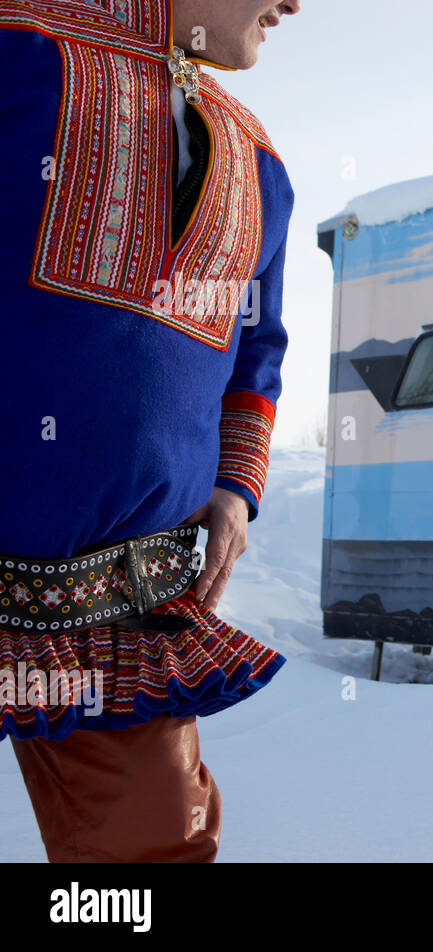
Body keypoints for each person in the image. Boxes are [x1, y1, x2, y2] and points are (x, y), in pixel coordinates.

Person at [0, 0, 302, 862]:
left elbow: (256, 353)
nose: (295, 5)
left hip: (120, 607)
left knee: (145, 865)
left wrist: (235, 489)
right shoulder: (15, 47)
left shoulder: (260, 160)